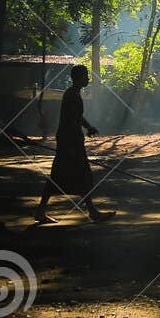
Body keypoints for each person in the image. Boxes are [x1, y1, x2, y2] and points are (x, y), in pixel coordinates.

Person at [36, 65, 114, 222]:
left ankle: (90, 211)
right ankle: (92, 212)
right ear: (78, 78)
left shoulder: (73, 94)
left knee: (66, 176)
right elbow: (72, 120)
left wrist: (88, 127)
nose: (88, 79)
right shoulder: (72, 95)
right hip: (69, 142)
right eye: (85, 76)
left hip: (70, 140)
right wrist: (72, 145)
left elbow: (77, 117)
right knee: (76, 175)